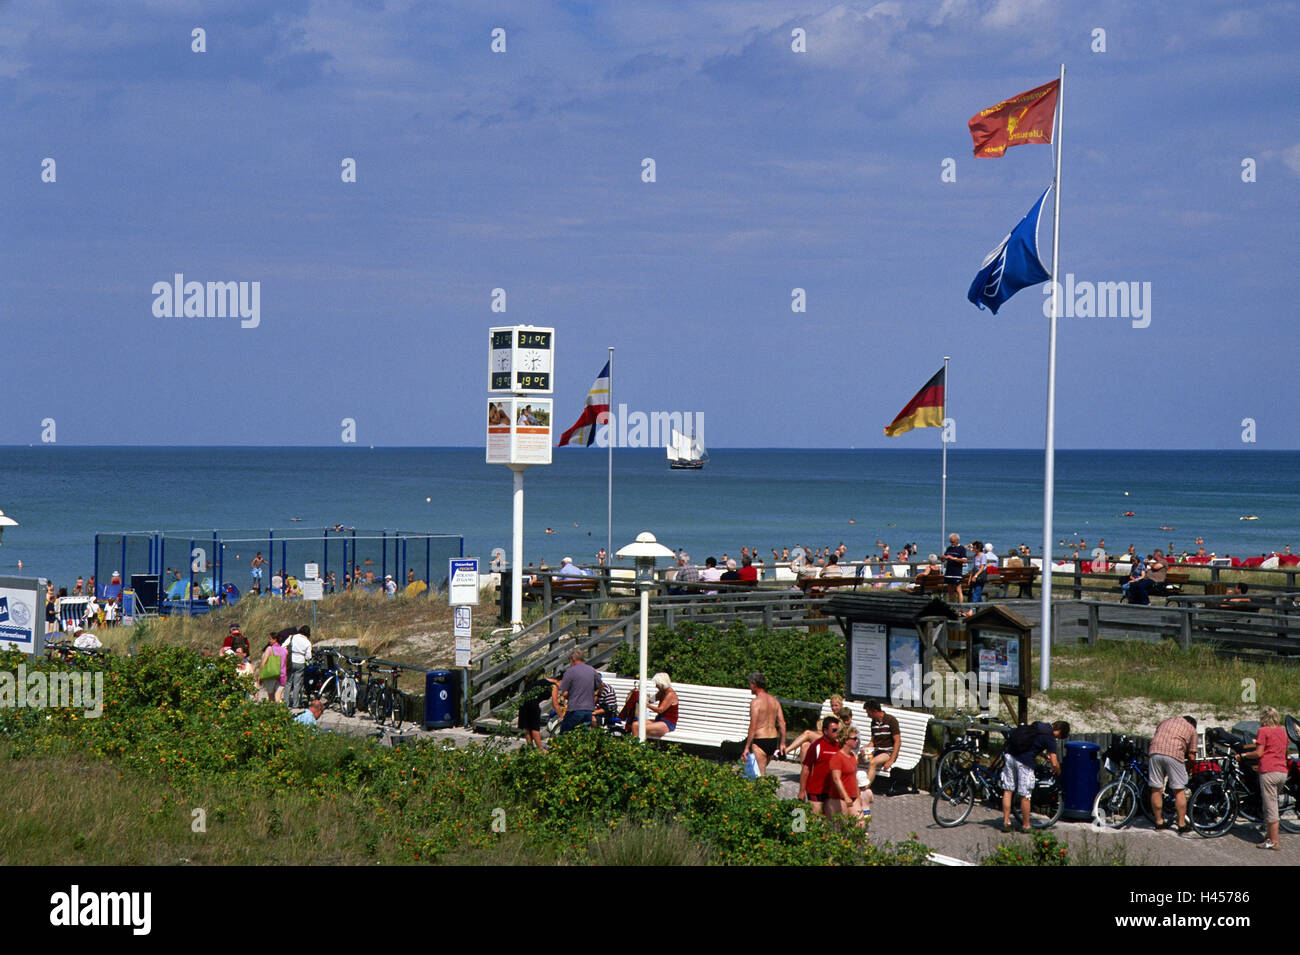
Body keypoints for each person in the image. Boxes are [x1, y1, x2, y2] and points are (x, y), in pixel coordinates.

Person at [1000, 719, 1069, 833]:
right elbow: (1054, 762)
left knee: (1008, 790)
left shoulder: (1038, 725)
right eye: (1059, 736)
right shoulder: (1050, 738)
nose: (1057, 739)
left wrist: (1041, 754)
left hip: (1011, 755)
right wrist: (1058, 771)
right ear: (1059, 731)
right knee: (1025, 795)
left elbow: (1031, 742)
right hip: (1024, 763)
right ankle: (1026, 825)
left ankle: (1006, 822)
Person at [1243, 706, 1288, 849]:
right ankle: (1269, 835)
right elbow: (1285, 752)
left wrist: (1244, 755)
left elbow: (1259, 753)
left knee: (1270, 806)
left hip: (1268, 771)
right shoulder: (1283, 732)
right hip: (1282, 771)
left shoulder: (1263, 731)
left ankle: (1273, 841)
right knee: (1272, 803)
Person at [1147, 714, 1197, 833]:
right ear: (1193, 724)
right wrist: (1189, 768)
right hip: (1173, 754)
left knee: (1156, 789)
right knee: (1179, 790)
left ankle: (1159, 822)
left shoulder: (1166, 720)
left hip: (1154, 752)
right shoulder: (1192, 729)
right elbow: (1191, 755)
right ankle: (1181, 824)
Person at [741, 672, 787, 776]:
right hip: (773, 741)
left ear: (754, 684)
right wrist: (782, 743)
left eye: (750, 684)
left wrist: (747, 747)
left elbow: (753, 726)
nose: (750, 687)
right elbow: (782, 723)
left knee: (760, 775)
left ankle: (764, 791)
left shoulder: (755, 702)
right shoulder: (775, 701)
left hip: (760, 741)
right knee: (760, 772)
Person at [797, 715, 842, 815]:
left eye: (838, 730)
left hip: (831, 790)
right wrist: (801, 791)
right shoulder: (817, 746)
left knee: (830, 821)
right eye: (834, 730)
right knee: (814, 819)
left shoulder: (839, 746)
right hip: (816, 790)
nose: (837, 733)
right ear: (825, 731)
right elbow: (806, 768)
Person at [826, 724, 866, 825]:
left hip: (853, 796)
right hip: (839, 797)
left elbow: (854, 777)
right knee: (839, 827)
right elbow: (836, 779)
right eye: (854, 738)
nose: (857, 741)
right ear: (846, 740)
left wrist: (858, 795)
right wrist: (846, 796)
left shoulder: (852, 756)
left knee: (860, 824)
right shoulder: (837, 757)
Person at [553, 648, 599, 733]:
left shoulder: (570, 671)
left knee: (565, 733)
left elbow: (564, 692)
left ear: (572, 659)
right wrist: (595, 696)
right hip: (588, 709)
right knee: (583, 735)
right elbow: (600, 686)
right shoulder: (592, 670)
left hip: (575, 708)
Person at [787, 693, 844, 761]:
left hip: (834, 740)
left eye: (836, 705)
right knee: (805, 745)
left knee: (807, 733)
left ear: (841, 705)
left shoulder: (844, 716)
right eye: (832, 706)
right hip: (824, 737)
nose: (834, 708)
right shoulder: (829, 716)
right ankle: (805, 770)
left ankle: (786, 750)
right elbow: (820, 729)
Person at [628, 672, 679, 738]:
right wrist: (642, 695)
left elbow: (660, 710)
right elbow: (650, 700)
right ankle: (635, 745)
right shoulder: (662, 692)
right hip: (659, 720)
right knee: (635, 725)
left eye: (657, 684)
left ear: (662, 684)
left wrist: (647, 705)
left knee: (642, 729)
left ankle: (640, 746)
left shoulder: (670, 694)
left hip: (667, 723)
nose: (656, 686)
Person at [518, 671, 560, 750]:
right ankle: (540, 749)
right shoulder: (553, 686)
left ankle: (530, 748)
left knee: (527, 727)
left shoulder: (543, 681)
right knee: (534, 727)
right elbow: (555, 704)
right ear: (559, 681)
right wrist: (561, 716)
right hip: (532, 703)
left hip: (523, 700)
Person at [863, 698, 900, 789]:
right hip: (877, 750)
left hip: (888, 752)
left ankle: (864, 788)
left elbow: (897, 742)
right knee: (855, 759)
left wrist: (891, 760)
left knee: (872, 763)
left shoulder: (891, 720)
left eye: (868, 713)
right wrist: (865, 748)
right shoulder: (874, 723)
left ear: (875, 711)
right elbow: (872, 742)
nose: (867, 715)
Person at [283, 626, 313, 708]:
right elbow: (308, 656)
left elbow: (283, 646)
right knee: (297, 684)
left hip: (291, 661)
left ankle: (286, 703)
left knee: (288, 683)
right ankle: (295, 704)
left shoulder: (292, 637)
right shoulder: (307, 642)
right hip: (300, 662)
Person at [256, 633, 287, 702]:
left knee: (271, 697)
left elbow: (263, 663)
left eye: (270, 639)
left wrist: (260, 675)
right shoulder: (285, 650)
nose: (269, 640)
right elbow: (285, 664)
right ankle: (280, 710)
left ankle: (272, 711)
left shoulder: (269, 649)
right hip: (281, 676)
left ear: (275, 640)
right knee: (278, 697)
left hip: (270, 675)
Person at [942, 533, 967, 602]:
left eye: (952, 541)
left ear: (957, 541)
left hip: (957, 572)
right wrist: (943, 558)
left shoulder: (961, 548)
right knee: (950, 591)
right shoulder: (949, 548)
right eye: (950, 541)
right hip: (949, 572)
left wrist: (953, 558)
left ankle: (960, 607)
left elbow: (964, 560)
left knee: (958, 590)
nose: (951, 543)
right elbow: (946, 557)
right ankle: (951, 606)